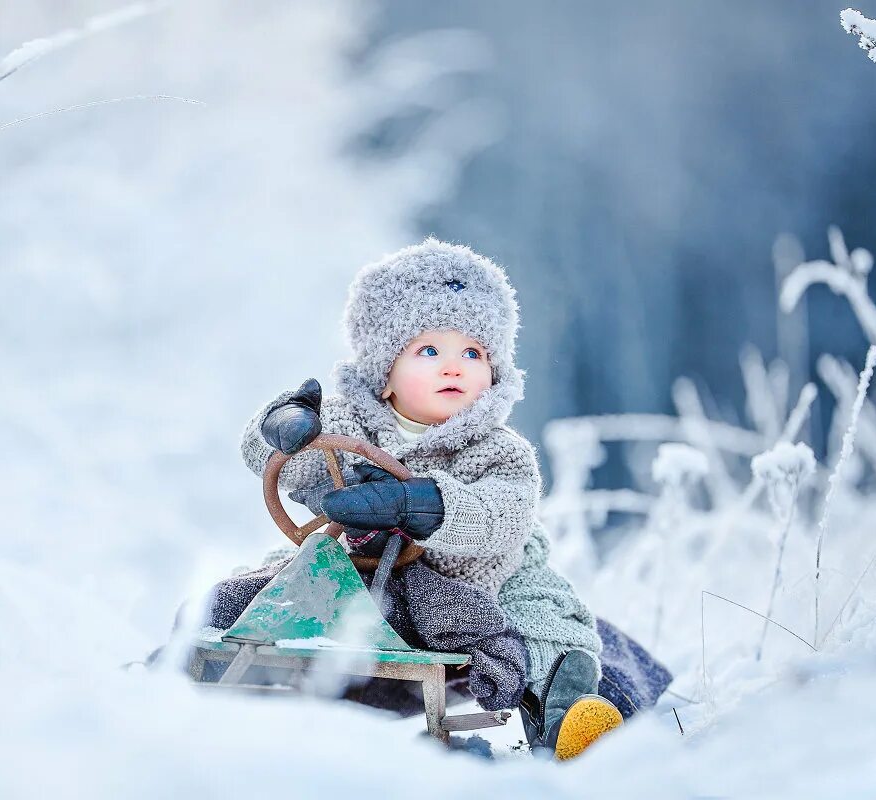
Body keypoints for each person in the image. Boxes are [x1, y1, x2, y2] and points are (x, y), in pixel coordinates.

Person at [238, 237, 623, 760]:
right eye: (429, 351)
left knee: (544, 620)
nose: (454, 367)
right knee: (265, 589)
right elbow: (271, 460)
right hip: (356, 562)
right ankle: (215, 672)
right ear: (385, 370)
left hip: (483, 576)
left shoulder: (500, 450)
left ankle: (564, 713)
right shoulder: (347, 422)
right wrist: (283, 430)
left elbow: (500, 516)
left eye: (473, 352)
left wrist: (423, 505)